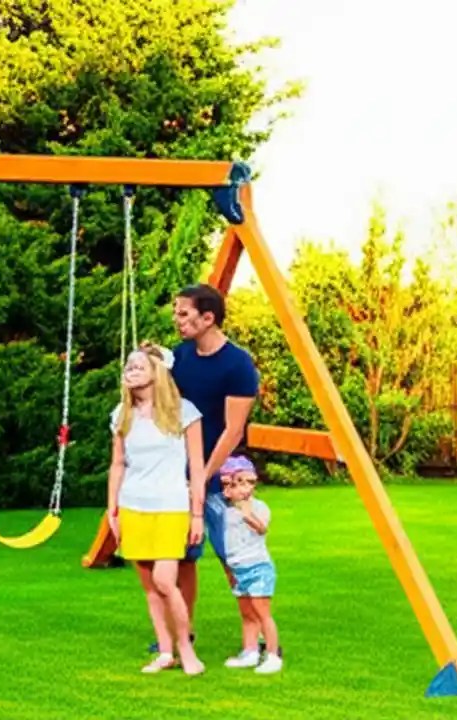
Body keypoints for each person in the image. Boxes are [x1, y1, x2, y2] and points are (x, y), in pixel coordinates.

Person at [169, 283, 261, 647]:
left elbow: (233, 430)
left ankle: (256, 636)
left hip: (220, 474)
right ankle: (182, 632)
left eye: (183, 314)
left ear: (208, 318)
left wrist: (203, 477)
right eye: (176, 313)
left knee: (234, 556)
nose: (177, 320)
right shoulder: (180, 357)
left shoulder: (237, 364)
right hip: (181, 470)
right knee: (183, 556)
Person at [108, 344, 207, 676]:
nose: (131, 369)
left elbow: (197, 465)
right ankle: (165, 652)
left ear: (157, 372)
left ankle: (186, 649)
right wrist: (113, 510)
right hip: (133, 505)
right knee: (150, 587)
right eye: (127, 366)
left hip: (171, 506)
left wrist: (196, 514)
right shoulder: (122, 415)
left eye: (138, 365)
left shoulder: (184, 412)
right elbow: (118, 464)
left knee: (166, 580)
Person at [218, 455, 282, 674]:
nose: (243, 489)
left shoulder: (259, 507)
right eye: (232, 484)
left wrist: (247, 514)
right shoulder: (224, 512)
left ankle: (273, 654)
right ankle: (250, 651)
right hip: (238, 569)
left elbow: (262, 528)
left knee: (262, 612)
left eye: (247, 483)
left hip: (258, 567)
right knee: (247, 613)